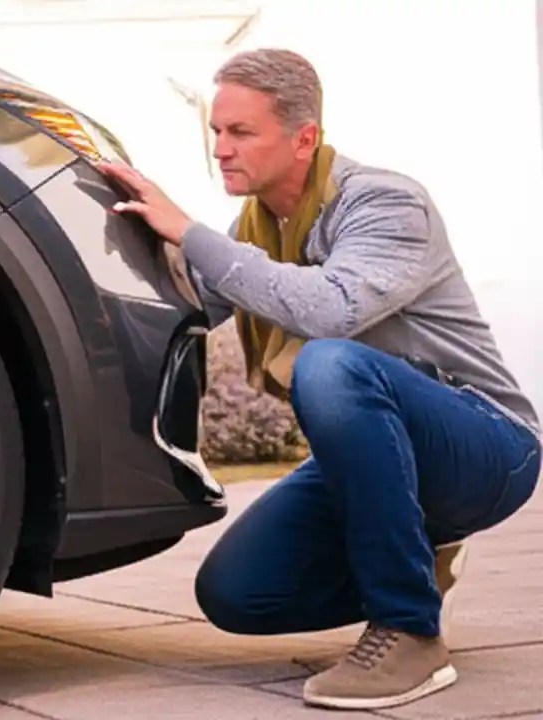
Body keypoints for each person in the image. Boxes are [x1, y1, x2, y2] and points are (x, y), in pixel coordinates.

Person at [98, 47, 541, 710]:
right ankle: (424, 555)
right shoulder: (256, 228)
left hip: (486, 445)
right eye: (216, 131)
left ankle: (410, 631)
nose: (220, 148)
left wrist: (189, 232)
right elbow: (186, 312)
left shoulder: (387, 204)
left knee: (329, 361)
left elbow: (330, 309)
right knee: (237, 593)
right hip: (377, 453)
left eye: (240, 131)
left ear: (304, 138)